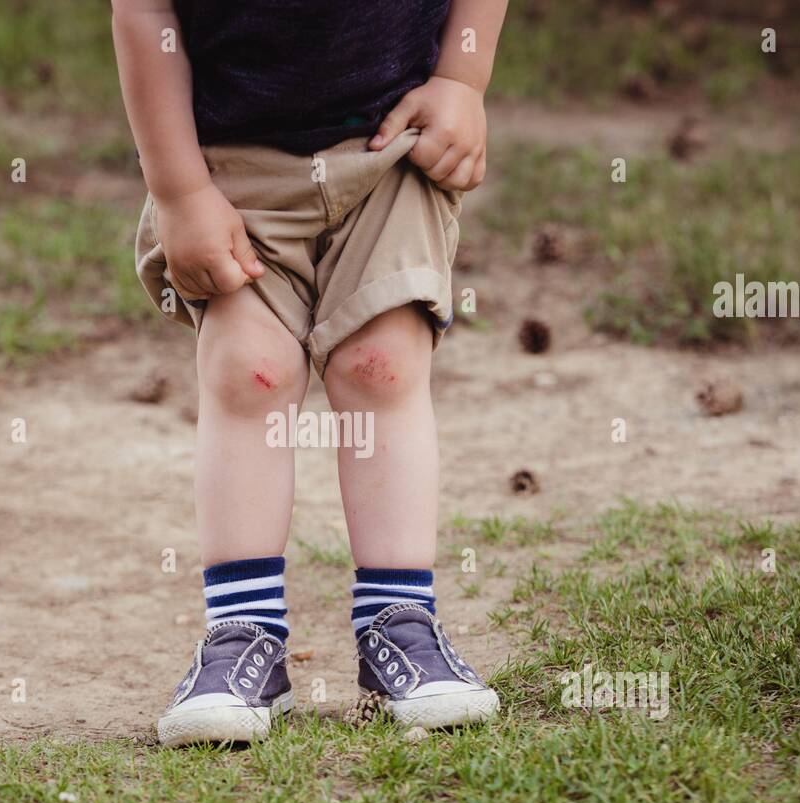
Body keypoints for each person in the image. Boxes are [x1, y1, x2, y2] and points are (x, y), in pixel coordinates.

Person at [113, 0, 509, 746]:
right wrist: (179, 191)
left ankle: (401, 623)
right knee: (249, 371)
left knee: (382, 367)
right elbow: (142, 12)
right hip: (230, 165)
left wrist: (463, 76)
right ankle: (243, 634)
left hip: (392, 147)